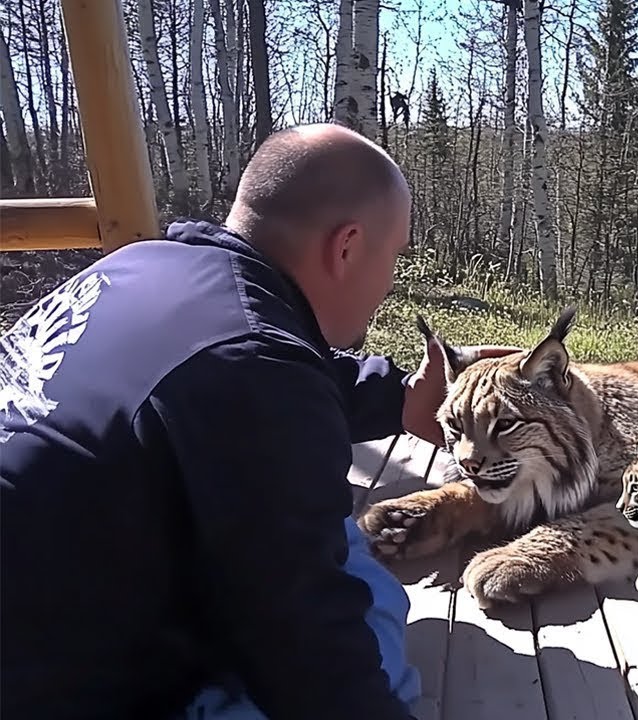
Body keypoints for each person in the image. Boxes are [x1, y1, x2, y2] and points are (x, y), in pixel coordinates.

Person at [0, 123, 515, 719]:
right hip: (61, 684)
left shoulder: (146, 266)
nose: (392, 280)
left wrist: (399, 397)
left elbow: (247, 376)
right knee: (369, 618)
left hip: (55, 582)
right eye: (394, 255)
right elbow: (312, 650)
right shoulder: (254, 365)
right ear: (346, 246)